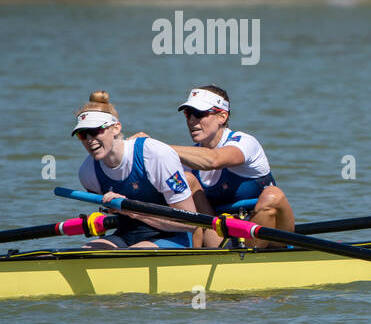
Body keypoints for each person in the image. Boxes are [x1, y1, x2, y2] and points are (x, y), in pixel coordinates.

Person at [133, 86, 294, 248]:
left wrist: (157, 147)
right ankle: (193, 257)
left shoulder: (245, 143)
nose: (192, 120)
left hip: (267, 233)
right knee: (186, 181)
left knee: (273, 195)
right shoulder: (189, 159)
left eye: (199, 113)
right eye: (188, 114)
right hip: (221, 234)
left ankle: (251, 260)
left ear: (222, 116)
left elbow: (214, 160)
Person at [72, 91, 197, 249]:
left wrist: (132, 210)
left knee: (133, 254)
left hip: (172, 236)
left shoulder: (156, 155)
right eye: (82, 134)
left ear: (116, 128)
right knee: (84, 253)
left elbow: (190, 223)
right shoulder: (87, 172)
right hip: (126, 235)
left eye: (96, 130)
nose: (89, 139)